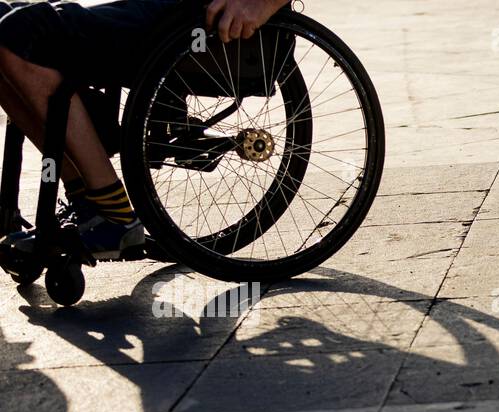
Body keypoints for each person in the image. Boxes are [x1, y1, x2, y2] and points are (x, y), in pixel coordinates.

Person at [0, 0, 289, 258]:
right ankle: (88, 205)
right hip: (156, 10)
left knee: (19, 32)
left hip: (185, 18)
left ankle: (115, 214)